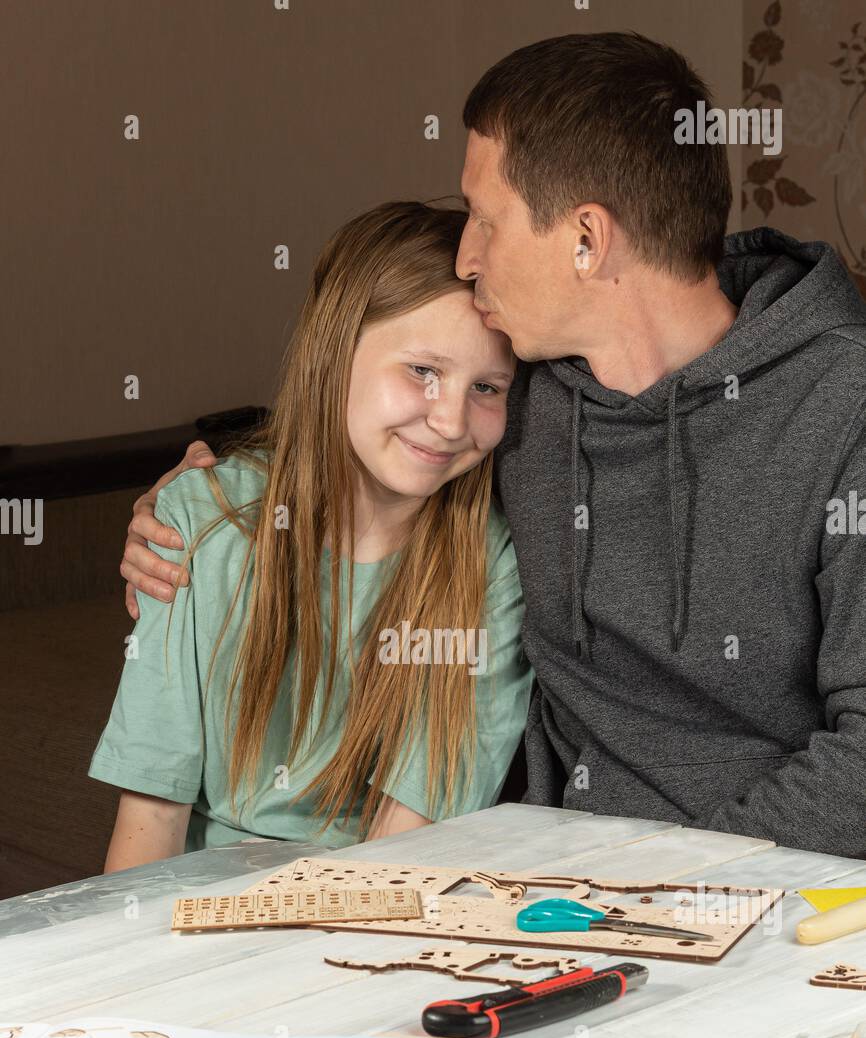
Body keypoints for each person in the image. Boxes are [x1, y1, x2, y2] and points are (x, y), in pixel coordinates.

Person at [121, 32, 866, 859]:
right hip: (539, 883)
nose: (467, 257)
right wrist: (194, 491)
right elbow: (360, 421)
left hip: (777, 891)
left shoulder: (844, 409)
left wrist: (670, 891)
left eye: (485, 218)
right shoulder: (520, 393)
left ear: (587, 238)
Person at [89, 202, 530, 870]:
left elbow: (406, 846)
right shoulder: (200, 524)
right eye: (423, 371)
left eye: (489, 387)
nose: (449, 420)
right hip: (194, 905)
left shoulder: (490, 563)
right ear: (334, 352)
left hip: (377, 903)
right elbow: (151, 817)